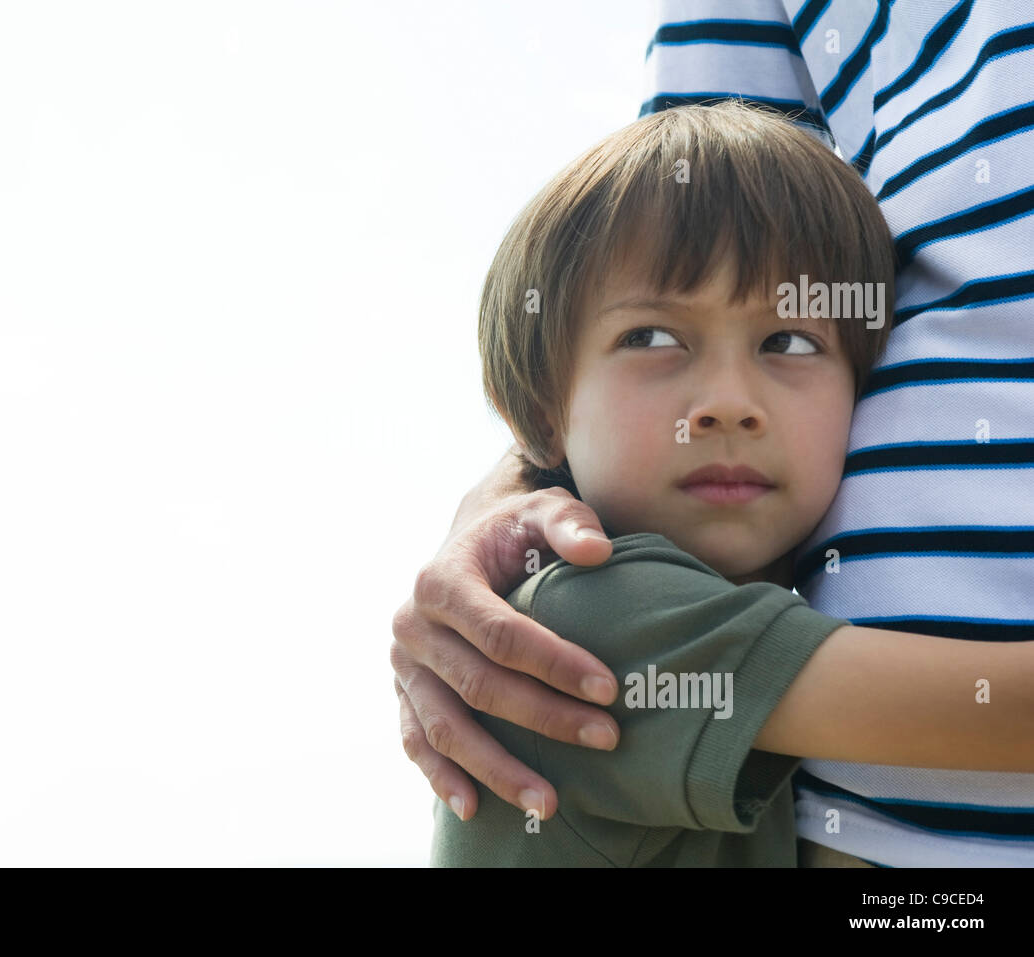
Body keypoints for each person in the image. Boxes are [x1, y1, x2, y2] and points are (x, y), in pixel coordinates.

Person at [396, 1, 1034, 866]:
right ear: (542, 407)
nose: (728, 404)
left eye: (789, 342)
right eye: (653, 339)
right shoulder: (592, 605)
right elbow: (994, 711)